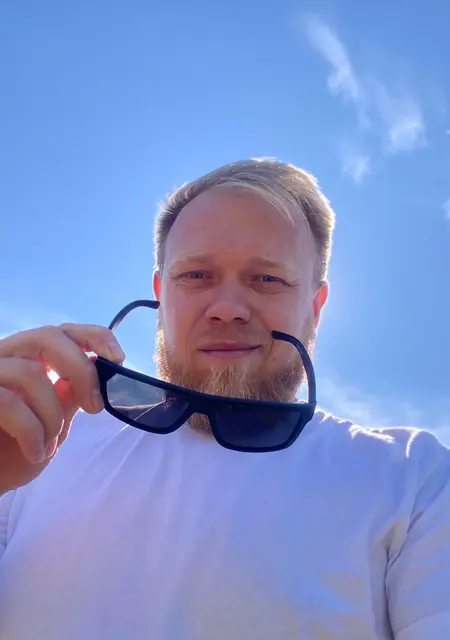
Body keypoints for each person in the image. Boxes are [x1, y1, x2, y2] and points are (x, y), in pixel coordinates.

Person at [0, 159, 448, 639]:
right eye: (196, 275)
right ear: (161, 294)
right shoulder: (40, 445)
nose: (228, 309)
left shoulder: (413, 478)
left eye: (268, 279)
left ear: (315, 308)